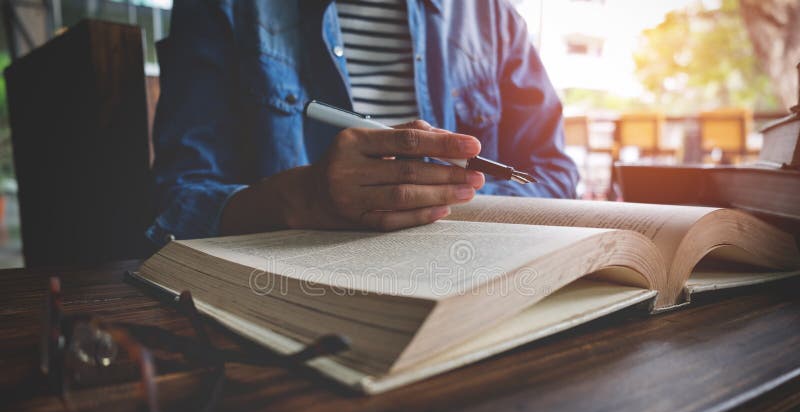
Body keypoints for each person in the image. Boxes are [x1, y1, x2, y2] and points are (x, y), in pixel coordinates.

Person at [147, 0, 579, 245]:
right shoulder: (225, 7)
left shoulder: (493, 16)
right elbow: (175, 204)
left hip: (471, 279)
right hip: (290, 297)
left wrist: (451, 200)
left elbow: (555, 175)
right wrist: (300, 200)